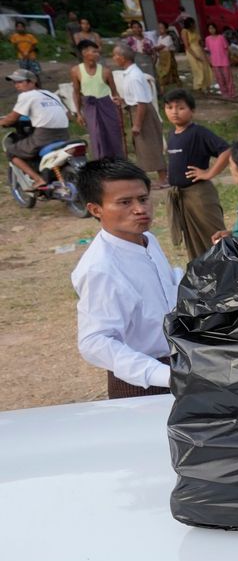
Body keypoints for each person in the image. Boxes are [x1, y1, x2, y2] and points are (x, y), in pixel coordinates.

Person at [72, 157, 181, 399]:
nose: (140, 209)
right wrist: (163, 375)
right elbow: (95, 342)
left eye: (143, 199)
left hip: (179, 363)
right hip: (141, 382)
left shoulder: (147, 240)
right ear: (95, 209)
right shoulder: (100, 268)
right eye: (124, 202)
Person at [160, 88, 230, 259]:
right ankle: (202, 276)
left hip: (199, 195)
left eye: (180, 108)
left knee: (214, 236)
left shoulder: (198, 132)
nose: (174, 112)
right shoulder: (171, 135)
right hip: (181, 196)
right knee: (193, 240)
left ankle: (225, 271)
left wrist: (208, 173)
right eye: (169, 108)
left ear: (192, 111)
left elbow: (226, 150)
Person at [106, 45, 165, 186]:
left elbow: (142, 102)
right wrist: (123, 100)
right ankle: (149, 176)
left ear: (122, 58)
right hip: (136, 109)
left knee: (150, 143)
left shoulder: (134, 76)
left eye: (115, 55)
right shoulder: (129, 74)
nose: (113, 58)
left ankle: (163, 178)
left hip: (142, 112)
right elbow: (135, 98)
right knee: (142, 145)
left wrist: (137, 124)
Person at [4, 67, 70, 187]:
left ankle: (38, 179)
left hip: (44, 136)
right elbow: (67, 115)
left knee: (11, 151)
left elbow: (12, 118)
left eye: (20, 81)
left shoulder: (27, 95)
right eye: (15, 82)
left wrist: (3, 122)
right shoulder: (51, 94)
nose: (16, 85)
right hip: (64, 134)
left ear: (32, 82)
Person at [70, 39, 123, 162]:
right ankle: (101, 164)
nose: (97, 54)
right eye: (94, 51)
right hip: (89, 106)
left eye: (97, 52)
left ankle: (118, 163)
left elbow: (114, 93)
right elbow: (77, 93)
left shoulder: (105, 71)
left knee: (113, 135)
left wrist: (118, 101)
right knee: (96, 136)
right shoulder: (76, 71)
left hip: (106, 105)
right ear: (84, 53)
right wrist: (78, 113)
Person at [203, 24, 235, 97]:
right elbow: (208, 51)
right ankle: (224, 93)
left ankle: (231, 93)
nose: (211, 30)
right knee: (219, 78)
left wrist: (229, 58)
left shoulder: (221, 37)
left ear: (216, 29)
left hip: (224, 61)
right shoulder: (207, 39)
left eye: (213, 28)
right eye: (210, 28)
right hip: (215, 62)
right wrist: (209, 60)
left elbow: (227, 49)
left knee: (228, 78)